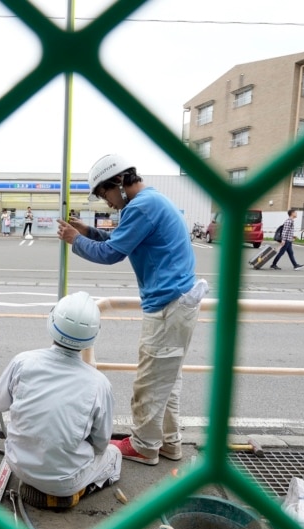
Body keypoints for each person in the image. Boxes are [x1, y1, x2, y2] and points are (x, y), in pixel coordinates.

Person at [56, 153, 207, 466]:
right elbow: (119, 240)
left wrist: (74, 240)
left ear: (118, 183)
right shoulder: (149, 203)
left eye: (104, 193)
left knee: (150, 383)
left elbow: (112, 253)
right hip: (178, 303)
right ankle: (167, 443)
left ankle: (144, 446)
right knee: (166, 382)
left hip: (168, 306)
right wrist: (86, 231)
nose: (105, 201)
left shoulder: (142, 206)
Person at [0, 291, 120, 509]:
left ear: (52, 321)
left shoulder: (23, 361)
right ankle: (75, 493)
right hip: (65, 481)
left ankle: (44, 487)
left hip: (17, 464)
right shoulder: (99, 383)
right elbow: (100, 444)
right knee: (114, 456)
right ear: (93, 336)